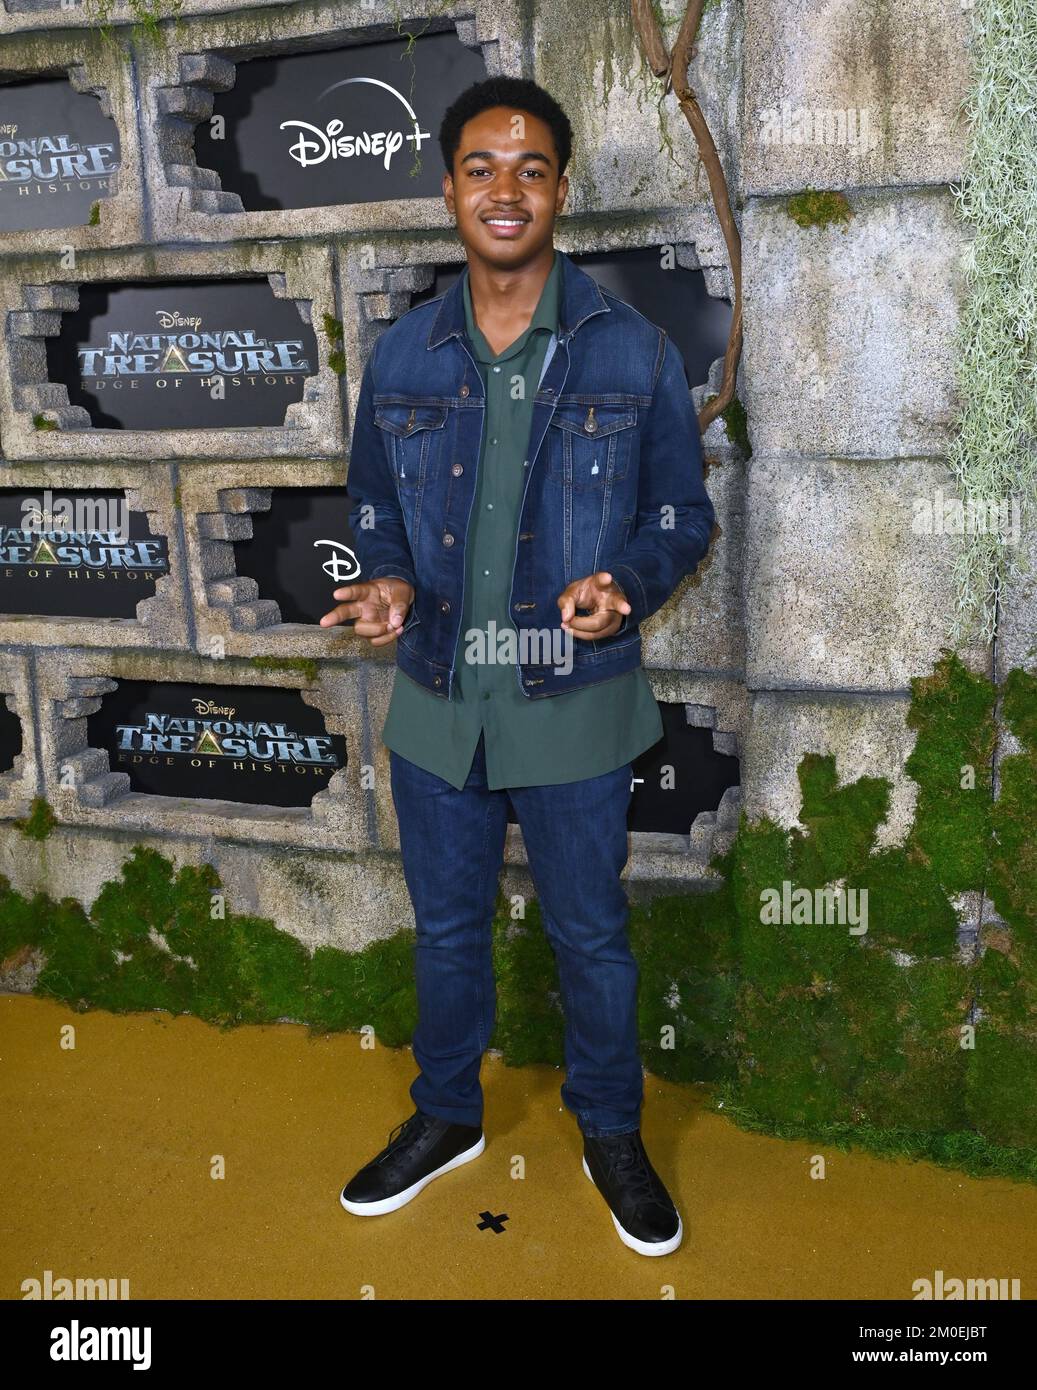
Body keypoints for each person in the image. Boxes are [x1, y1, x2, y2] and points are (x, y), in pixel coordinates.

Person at [321, 75, 715, 1257]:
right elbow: (373, 506)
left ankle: (610, 1131)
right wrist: (386, 578)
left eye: (530, 168)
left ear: (558, 190)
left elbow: (680, 517)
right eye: (481, 167)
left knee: (588, 934)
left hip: (572, 704)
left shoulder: (629, 350)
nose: (505, 188)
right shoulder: (400, 354)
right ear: (447, 187)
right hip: (439, 701)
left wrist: (625, 586)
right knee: (445, 933)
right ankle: (444, 1115)